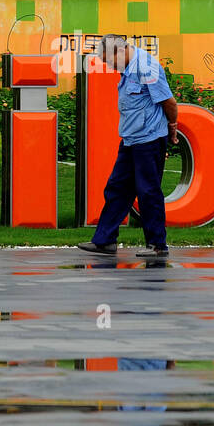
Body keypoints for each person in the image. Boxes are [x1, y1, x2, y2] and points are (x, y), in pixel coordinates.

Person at [77, 34, 179, 262]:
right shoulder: (128, 68)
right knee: (117, 188)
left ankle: (157, 245)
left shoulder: (147, 67)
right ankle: (105, 241)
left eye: (109, 61)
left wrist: (172, 129)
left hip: (150, 139)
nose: (109, 66)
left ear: (119, 52)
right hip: (131, 139)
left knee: (148, 191)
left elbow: (169, 103)